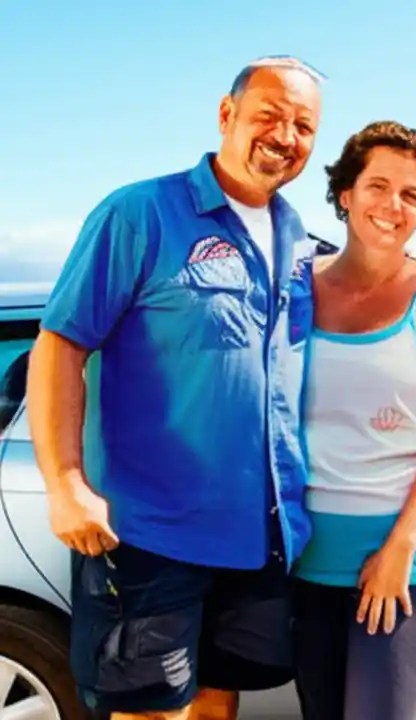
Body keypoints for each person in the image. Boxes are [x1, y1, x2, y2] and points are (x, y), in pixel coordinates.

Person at [27, 56, 325, 720]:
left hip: (259, 534)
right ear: (227, 114)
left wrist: (411, 272)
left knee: (218, 702)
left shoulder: (297, 236)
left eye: (303, 125)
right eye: (269, 115)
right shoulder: (140, 213)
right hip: (149, 533)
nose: (284, 136)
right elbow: (60, 345)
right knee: (146, 710)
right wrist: (67, 483)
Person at [288, 120, 416, 720]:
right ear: (344, 194)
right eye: (377, 185)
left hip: (409, 558)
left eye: (410, 195)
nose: (392, 205)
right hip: (308, 553)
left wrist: (398, 548)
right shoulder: (293, 287)